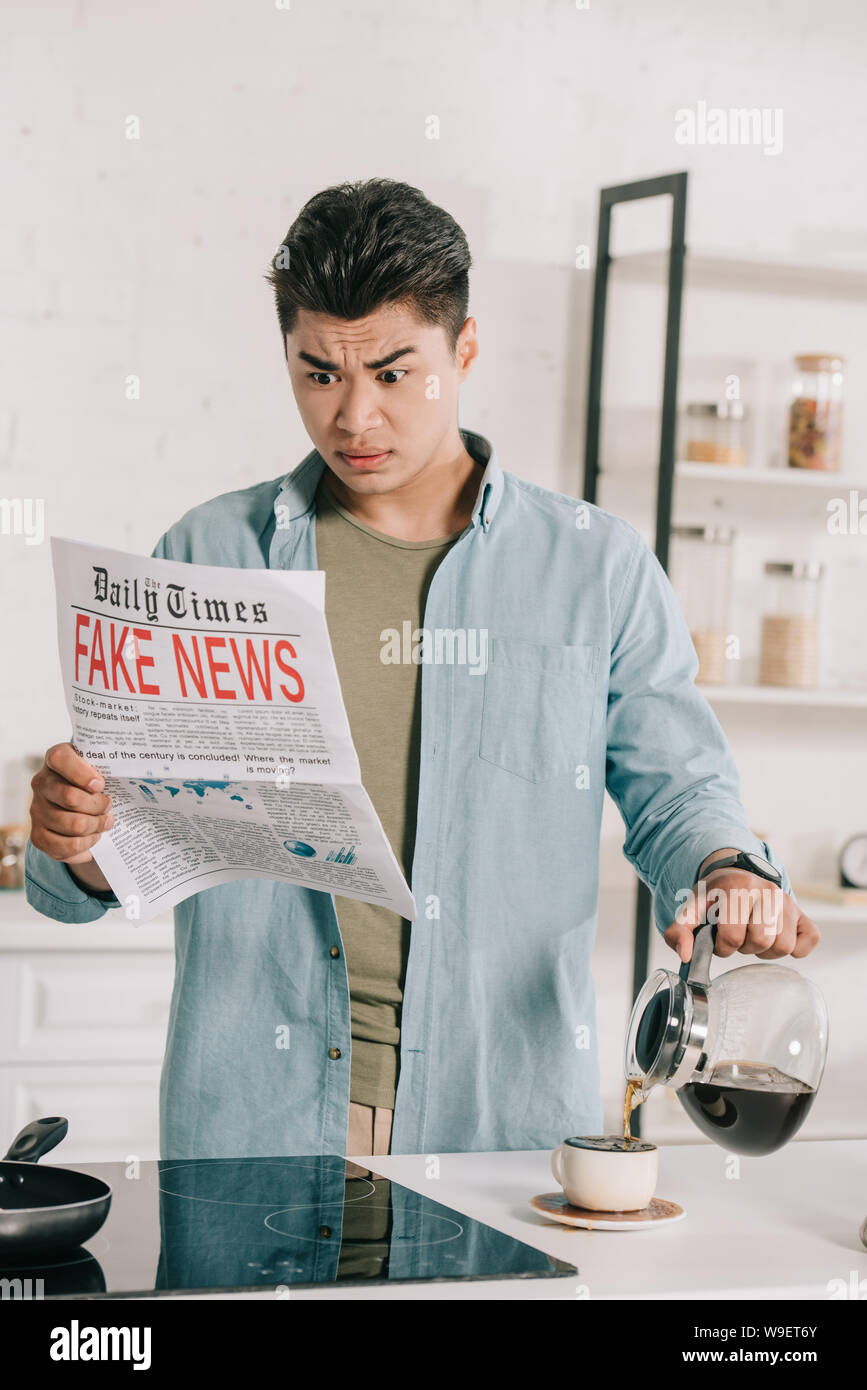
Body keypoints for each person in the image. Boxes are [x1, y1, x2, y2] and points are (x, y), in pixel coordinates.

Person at [25, 178, 819, 1167]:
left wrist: (727, 867)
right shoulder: (208, 550)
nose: (355, 416)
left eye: (395, 373)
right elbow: (112, 847)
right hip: (250, 1128)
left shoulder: (595, 566)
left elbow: (681, 792)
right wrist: (79, 838)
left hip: (499, 1128)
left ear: (465, 350)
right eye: (318, 374)